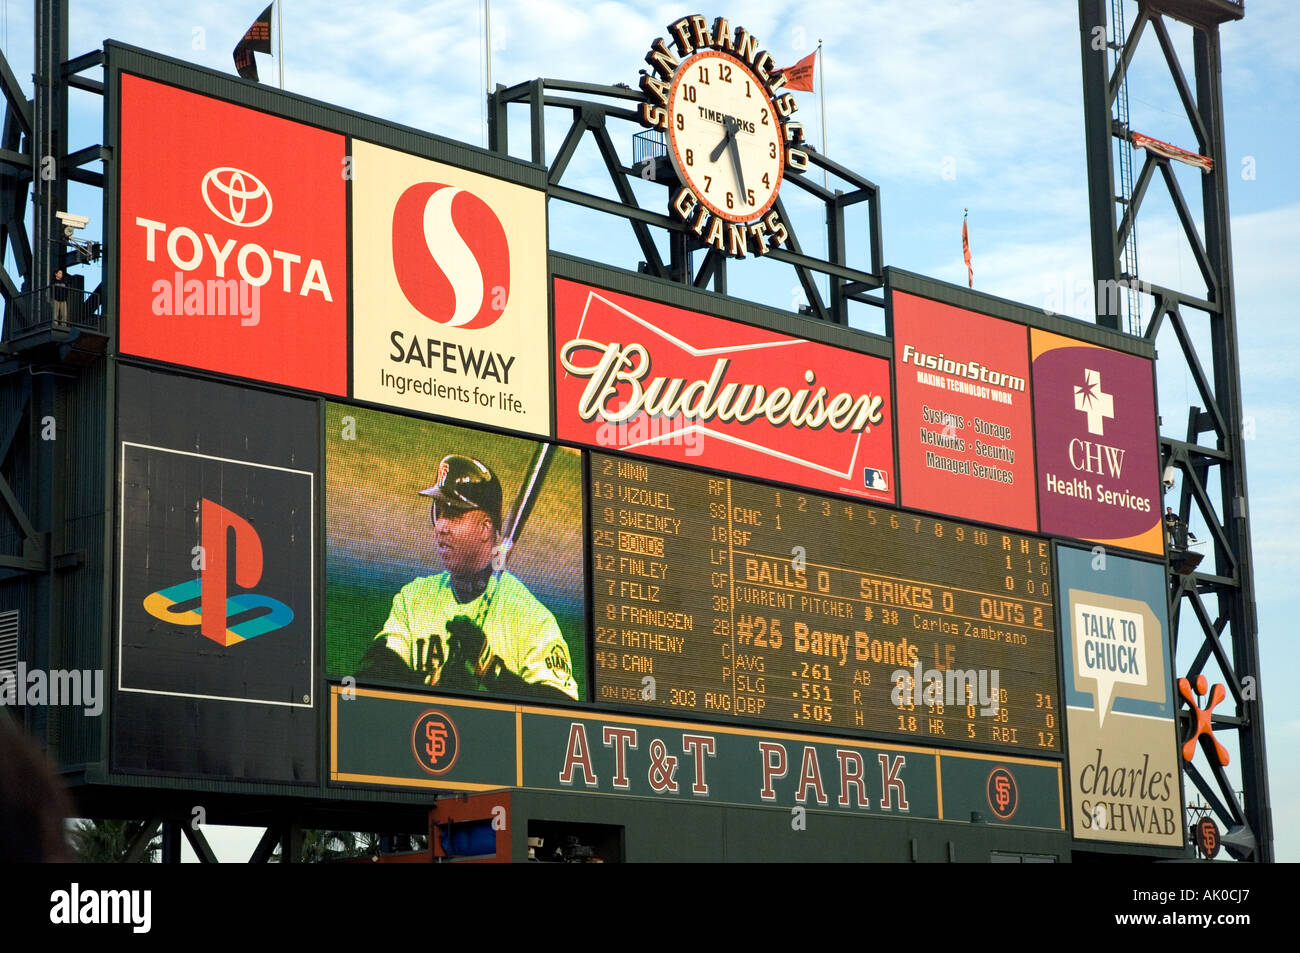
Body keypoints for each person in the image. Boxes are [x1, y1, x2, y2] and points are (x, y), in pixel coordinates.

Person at [358, 454, 579, 702]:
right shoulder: (414, 598)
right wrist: (431, 683)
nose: (441, 526)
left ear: (485, 528)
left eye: (452, 515)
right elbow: (372, 673)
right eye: (438, 513)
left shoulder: (530, 618)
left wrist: (491, 671)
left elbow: (562, 712)